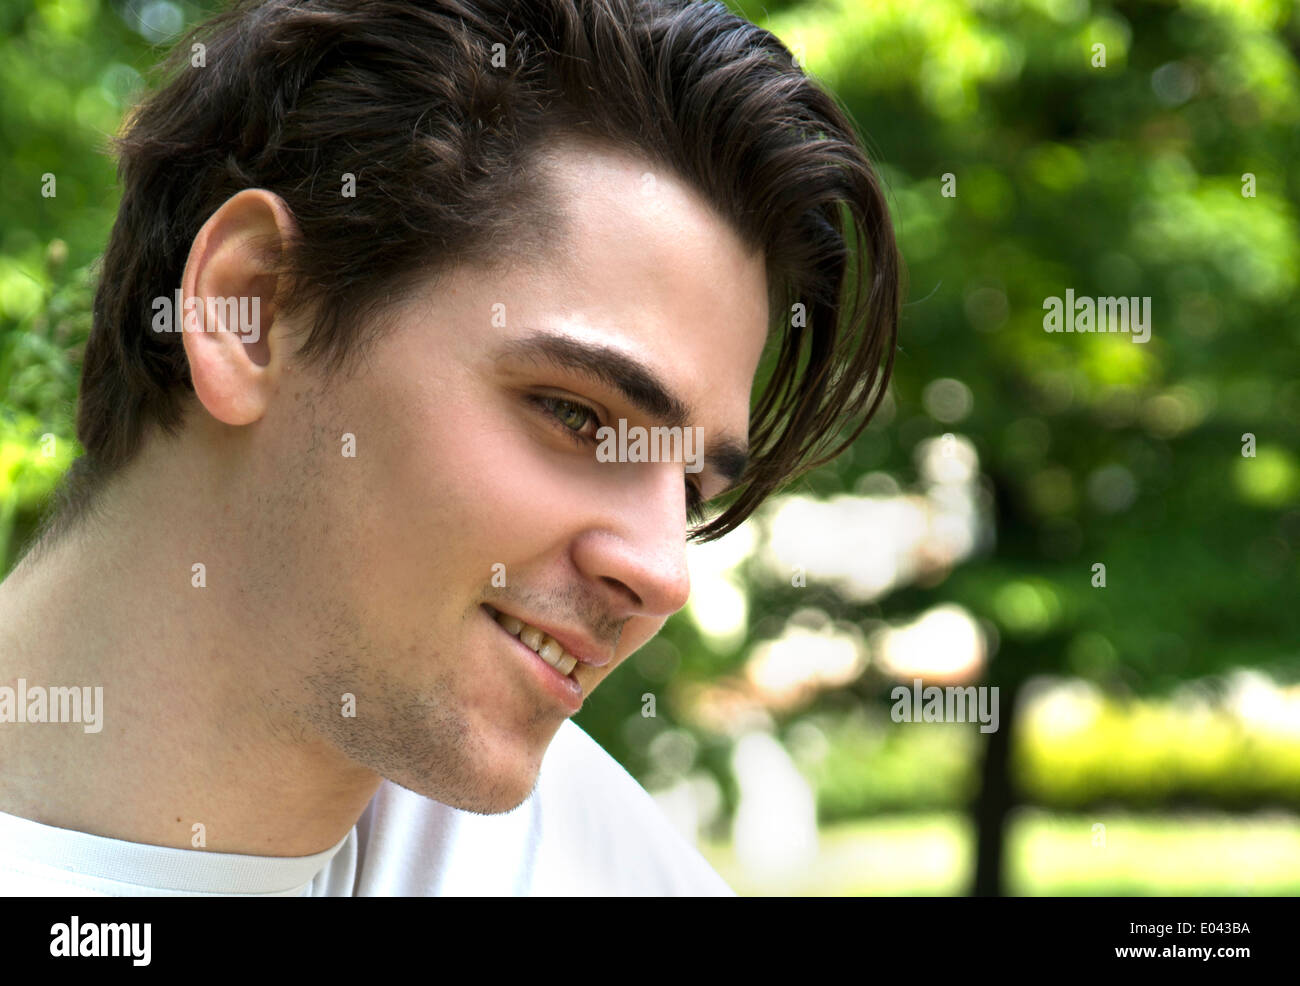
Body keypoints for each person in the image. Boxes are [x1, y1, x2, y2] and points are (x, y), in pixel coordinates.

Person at [0, 0, 899, 895]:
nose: (665, 576)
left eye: (693, 489)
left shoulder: (590, 863)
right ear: (254, 310)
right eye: (578, 417)